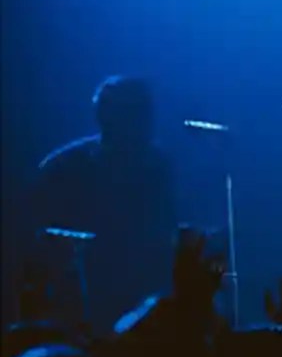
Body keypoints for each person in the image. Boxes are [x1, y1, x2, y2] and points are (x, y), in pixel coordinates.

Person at [29, 76, 177, 335]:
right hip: (84, 297)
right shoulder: (64, 168)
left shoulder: (158, 166)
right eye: (136, 114)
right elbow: (39, 238)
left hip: (147, 295)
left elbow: (168, 228)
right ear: (109, 118)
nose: (146, 123)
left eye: (146, 113)